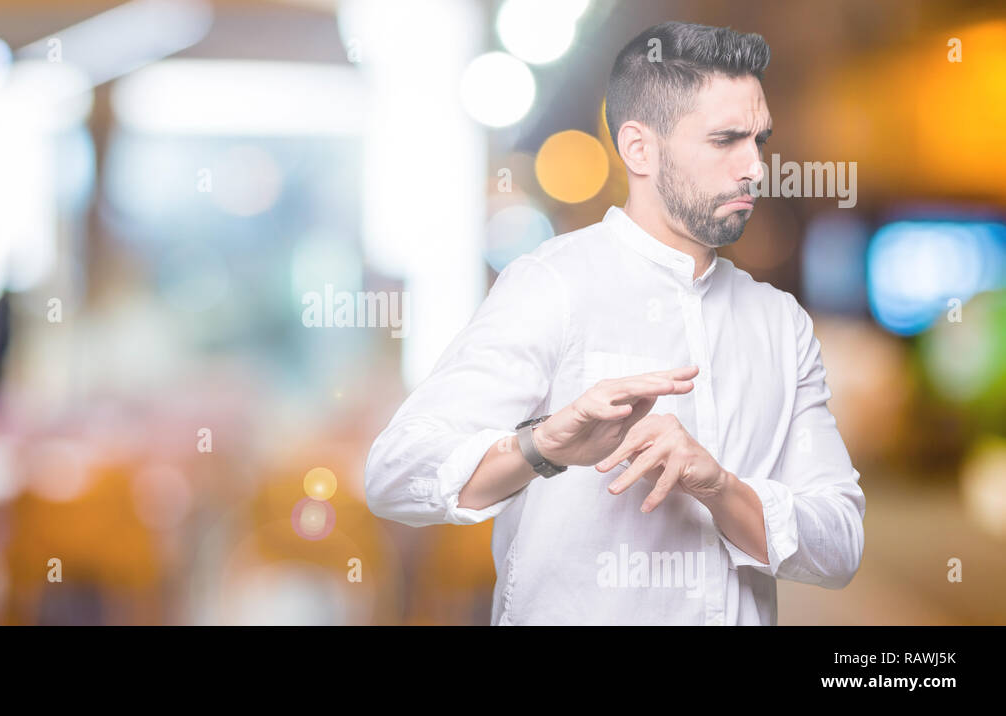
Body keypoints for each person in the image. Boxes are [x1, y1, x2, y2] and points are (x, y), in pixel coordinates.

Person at [364, 21, 865, 625]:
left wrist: (720, 487)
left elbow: (840, 545)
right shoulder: (550, 285)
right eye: (726, 140)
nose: (755, 167)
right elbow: (396, 473)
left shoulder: (780, 323)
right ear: (639, 149)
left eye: (759, 140)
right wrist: (540, 444)